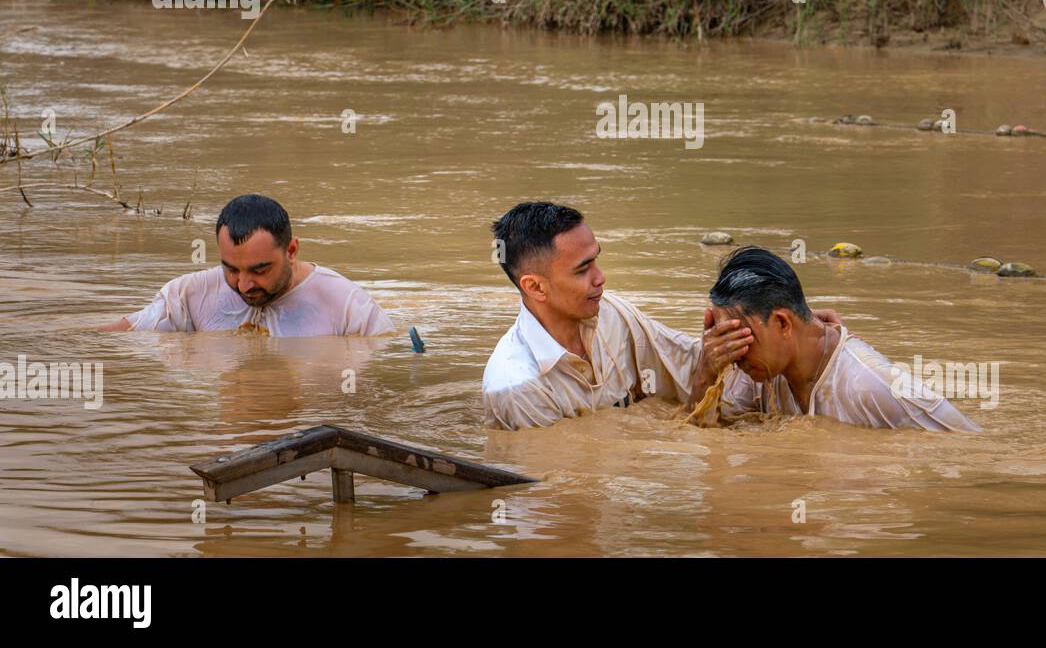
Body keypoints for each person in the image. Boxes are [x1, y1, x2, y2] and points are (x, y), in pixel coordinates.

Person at [480, 201, 839, 430]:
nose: (600, 277)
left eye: (597, 259)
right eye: (582, 269)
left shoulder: (612, 315)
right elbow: (568, 485)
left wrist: (793, 329)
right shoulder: (518, 387)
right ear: (535, 287)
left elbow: (688, 364)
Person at [695, 246, 981, 430]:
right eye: (723, 335)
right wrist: (705, 371)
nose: (733, 352)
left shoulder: (873, 387)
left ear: (783, 323)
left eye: (736, 335)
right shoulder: (759, 370)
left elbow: (967, 446)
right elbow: (704, 436)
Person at [93, 193, 394, 337]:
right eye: (231, 269)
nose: (244, 285)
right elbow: (120, 335)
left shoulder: (350, 308)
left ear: (291, 250)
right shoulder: (190, 293)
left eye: (260, 270)